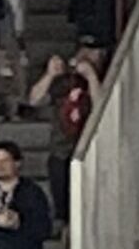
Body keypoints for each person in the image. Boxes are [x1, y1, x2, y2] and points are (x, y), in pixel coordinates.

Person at [28, 38, 106, 230]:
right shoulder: (62, 80)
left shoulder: (102, 77)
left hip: (89, 149)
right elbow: (34, 99)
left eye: (93, 52)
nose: (87, 57)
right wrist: (50, 74)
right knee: (63, 209)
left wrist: (91, 77)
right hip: (60, 150)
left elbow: (102, 109)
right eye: (84, 51)